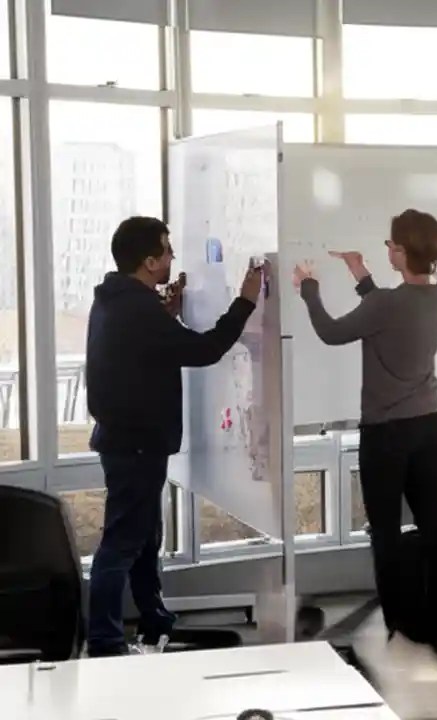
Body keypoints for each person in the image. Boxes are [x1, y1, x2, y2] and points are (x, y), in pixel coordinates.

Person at [85, 216, 263, 657]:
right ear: (149, 261)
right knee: (123, 541)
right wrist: (245, 301)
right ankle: (104, 641)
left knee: (145, 538)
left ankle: (154, 621)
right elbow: (205, 350)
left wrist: (165, 312)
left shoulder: (114, 299)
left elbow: (139, 349)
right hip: (137, 442)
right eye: (166, 250)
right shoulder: (137, 309)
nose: (172, 257)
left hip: (128, 439)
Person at [292, 209, 437, 658]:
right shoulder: (436, 299)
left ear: (401, 252)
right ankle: (435, 624)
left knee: (385, 530)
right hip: (427, 423)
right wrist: (359, 271)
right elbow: (386, 311)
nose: (386, 249)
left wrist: (308, 288)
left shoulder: (386, 305)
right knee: (433, 523)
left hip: (387, 432)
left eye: (390, 245)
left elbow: (331, 331)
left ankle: (401, 626)